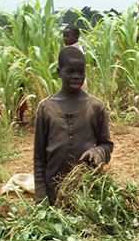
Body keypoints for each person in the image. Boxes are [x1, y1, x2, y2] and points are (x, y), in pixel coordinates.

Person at [34, 47, 113, 205]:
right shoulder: (45, 109)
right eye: (70, 71)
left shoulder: (96, 107)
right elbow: (39, 159)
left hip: (88, 193)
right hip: (54, 194)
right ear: (59, 72)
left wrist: (97, 151)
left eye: (81, 72)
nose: (76, 77)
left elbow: (107, 145)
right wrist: (41, 199)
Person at [62, 25, 87, 93]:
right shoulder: (68, 48)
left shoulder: (75, 51)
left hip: (75, 82)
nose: (64, 38)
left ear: (76, 37)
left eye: (67, 36)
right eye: (63, 36)